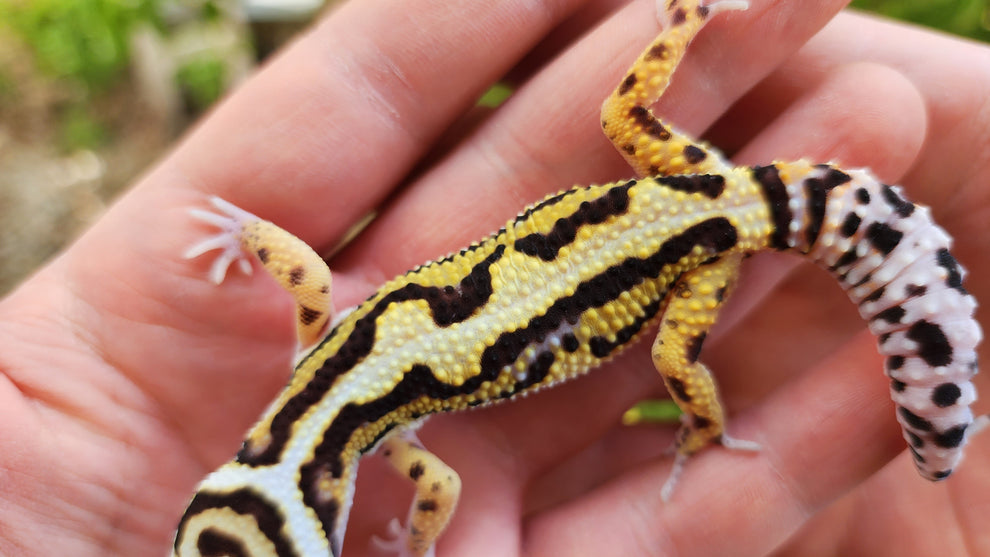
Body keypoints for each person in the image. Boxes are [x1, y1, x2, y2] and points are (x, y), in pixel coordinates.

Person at [0, 0, 987, 555]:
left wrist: (419, 546)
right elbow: (304, 278)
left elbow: (439, 489)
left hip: (702, 237)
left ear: (333, 508)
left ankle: (704, 425)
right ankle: (678, 23)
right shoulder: (317, 354)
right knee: (620, 121)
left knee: (677, 357)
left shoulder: (398, 448)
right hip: (685, 202)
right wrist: (243, 232)